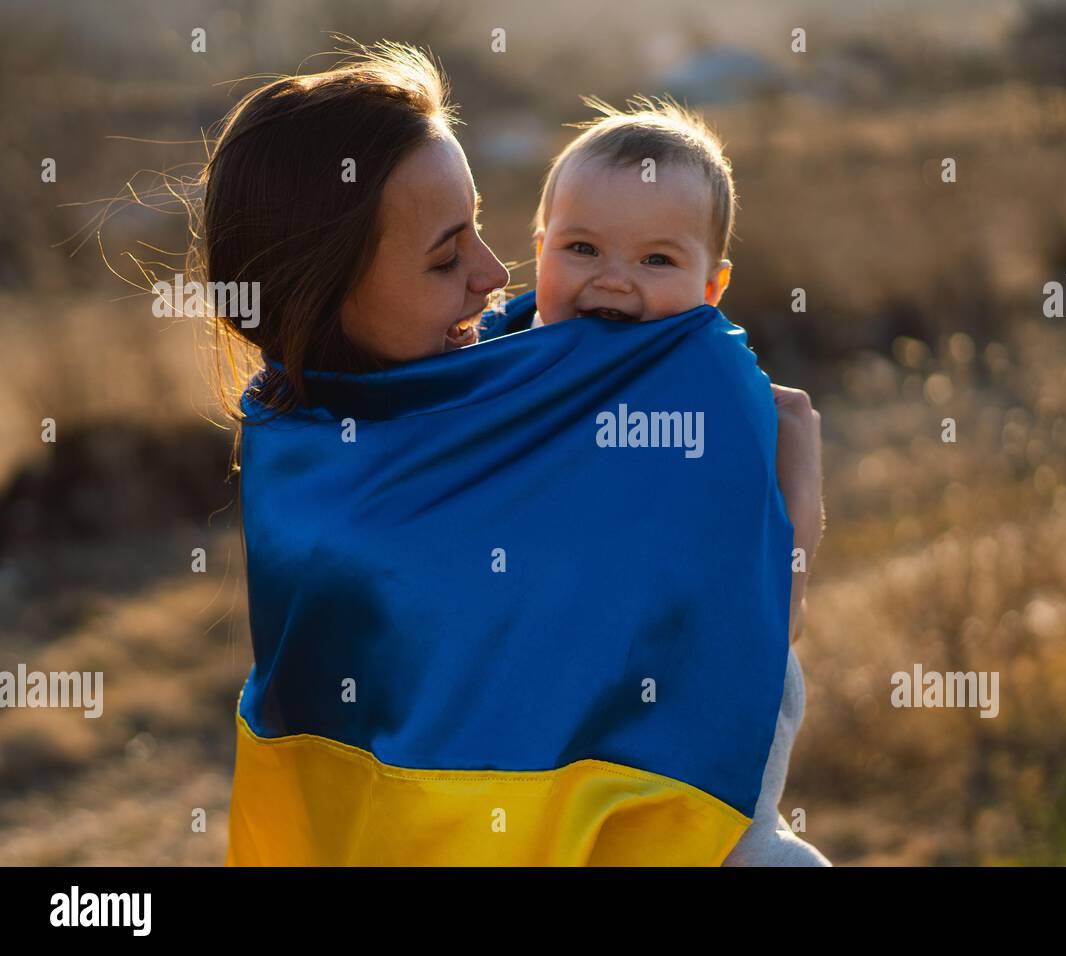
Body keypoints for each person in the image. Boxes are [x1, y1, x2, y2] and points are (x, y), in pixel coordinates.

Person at [203, 40, 824, 865]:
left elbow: (724, 628)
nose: (496, 275)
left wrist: (764, 495)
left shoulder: (551, 378)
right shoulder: (318, 468)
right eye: (445, 254)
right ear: (329, 285)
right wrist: (799, 514)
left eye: (482, 231)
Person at [485, 95, 829, 864]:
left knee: (737, 847)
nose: (614, 281)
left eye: (656, 260)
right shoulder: (492, 369)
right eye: (580, 248)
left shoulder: (717, 391)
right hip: (548, 708)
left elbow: (772, 572)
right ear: (537, 246)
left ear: (713, 287)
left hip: (703, 699)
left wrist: (788, 561)